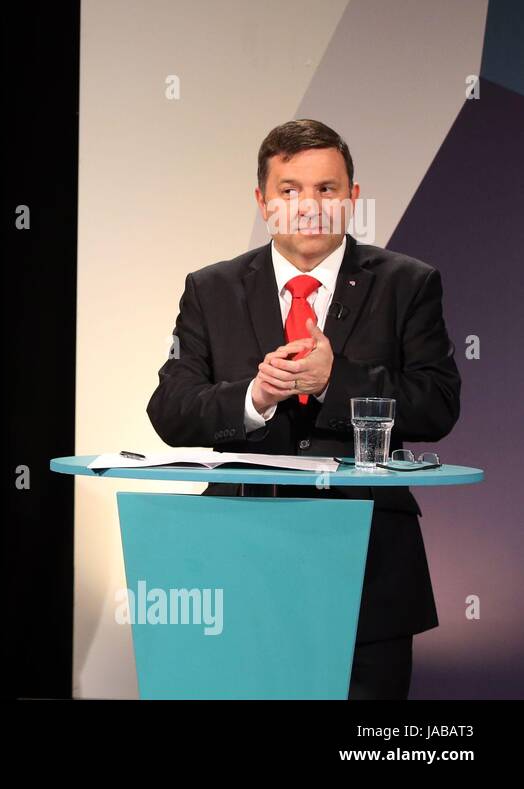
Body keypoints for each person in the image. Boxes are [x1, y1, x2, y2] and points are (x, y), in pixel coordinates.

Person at [146, 119, 460, 699]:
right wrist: (254, 398)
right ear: (263, 203)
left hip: (368, 564)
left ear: (352, 199)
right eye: (289, 190)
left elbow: (438, 405)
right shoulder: (211, 289)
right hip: (239, 563)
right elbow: (170, 409)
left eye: (326, 189)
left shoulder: (408, 284)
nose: (308, 206)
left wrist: (336, 378)